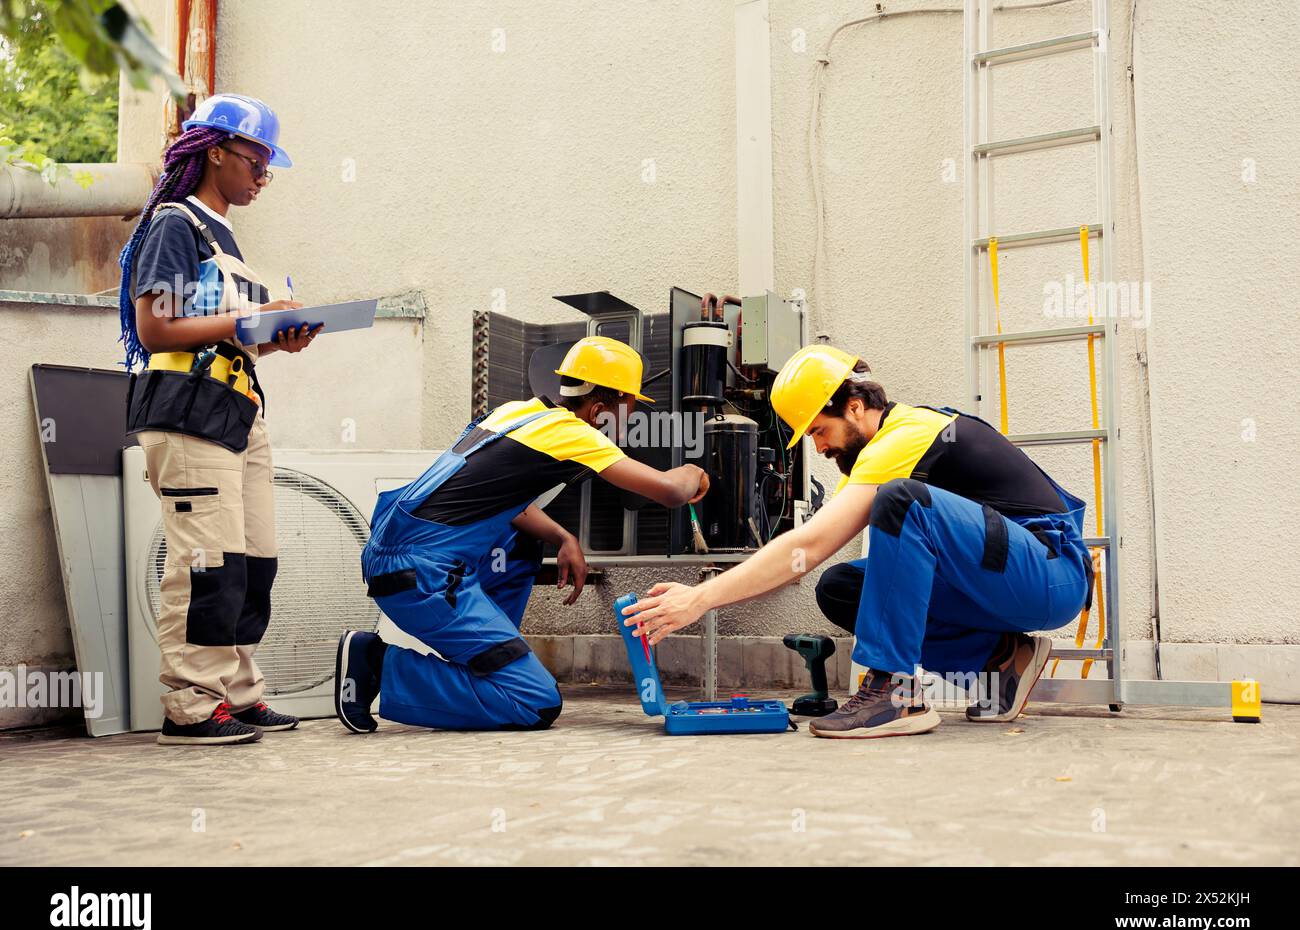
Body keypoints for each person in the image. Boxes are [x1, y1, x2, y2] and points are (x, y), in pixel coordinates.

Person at [623, 344, 1091, 739]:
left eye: (820, 431)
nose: (820, 448)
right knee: (843, 587)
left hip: (1050, 574)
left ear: (853, 406)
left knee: (903, 502)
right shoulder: (883, 452)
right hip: (1001, 580)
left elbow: (809, 544)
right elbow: (809, 546)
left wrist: (701, 598)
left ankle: (897, 694)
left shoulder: (907, 435)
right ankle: (1002, 660)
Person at [335, 336, 709, 733]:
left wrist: (565, 538)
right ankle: (376, 663)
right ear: (600, 410)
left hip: (398, 556)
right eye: (627, 414)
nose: (626, 425)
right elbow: (670, 491)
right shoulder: (576, 434)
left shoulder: (515, 413)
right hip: (425, 575)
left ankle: (488, 658)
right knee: (534, 703)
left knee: (524, 543)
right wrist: (695, 472)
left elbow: (501, 499)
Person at [119, 93, 319, 745]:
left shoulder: (226, 240)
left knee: (252, 563)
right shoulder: (176, 223)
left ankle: (236, 692)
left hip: (238, 411)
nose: (263, 178)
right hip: (187, 411)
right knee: (206, 563)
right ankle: (192, 707)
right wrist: (247, 322)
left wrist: (273, 338)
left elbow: (223, 334)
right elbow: (156, 328)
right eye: (257, 162)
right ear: (216, 153)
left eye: (268, 168)